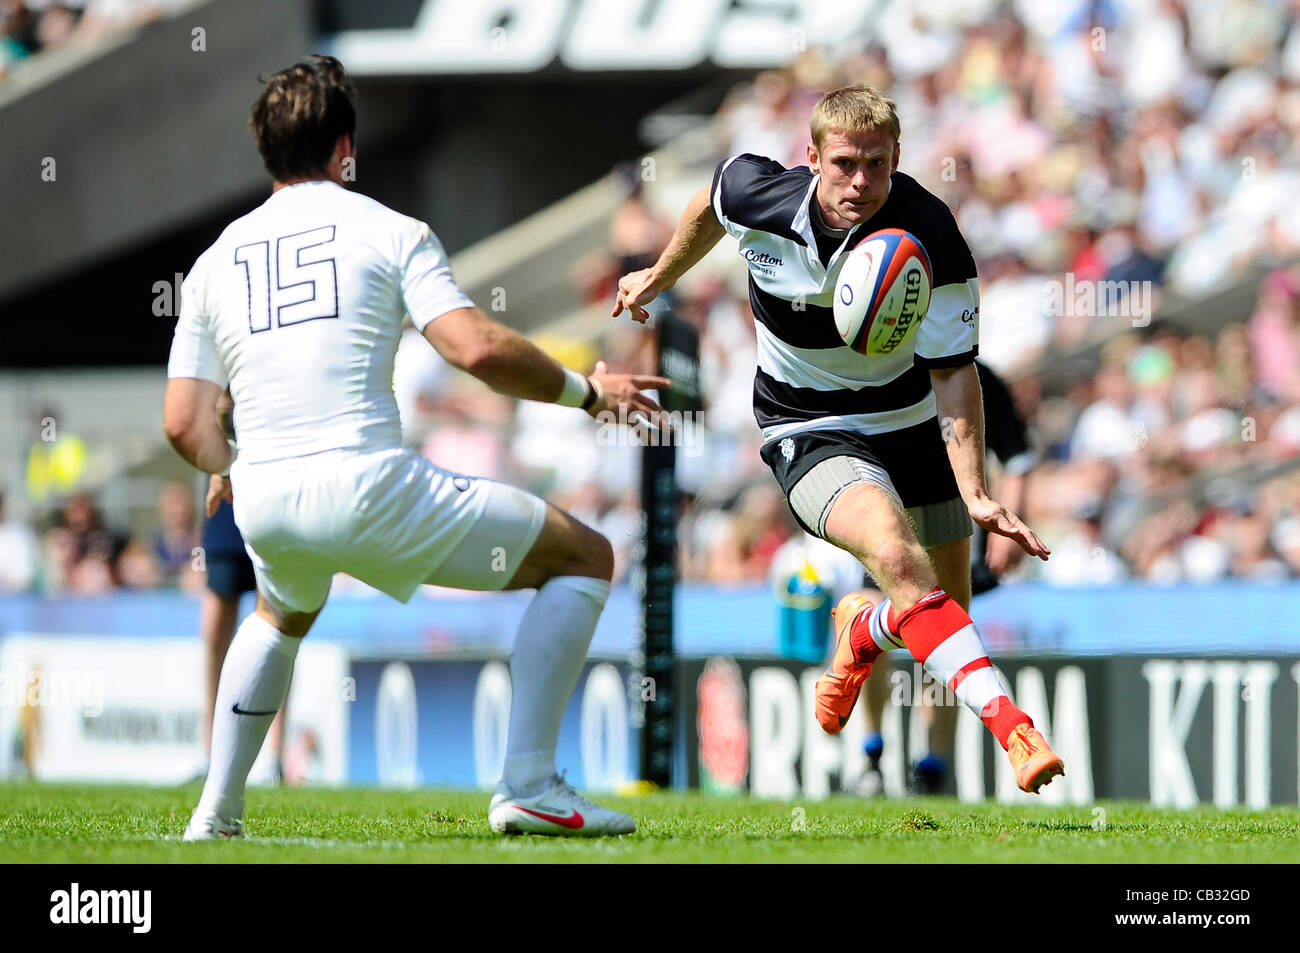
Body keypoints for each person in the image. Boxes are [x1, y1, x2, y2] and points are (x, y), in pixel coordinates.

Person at [164, 55, 666, 840]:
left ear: (265, 149)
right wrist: (588, 391)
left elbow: (183, 424)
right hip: (368, 485)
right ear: (345, 147)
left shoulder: (212, 262)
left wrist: (224, 468)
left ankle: (215, 813)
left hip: (264, 499)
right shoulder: (392, 230)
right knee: (586, 557)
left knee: (279, 612)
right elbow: (474, 348)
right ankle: (530, 783)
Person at [613, 85, 1064, 794]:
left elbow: (953, 374)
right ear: (812, 157)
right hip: (808, 425)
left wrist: (975, 489)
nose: (861, 182)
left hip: (913, 422)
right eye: (847, 163)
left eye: (878, 165)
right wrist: (658, 275)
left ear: (897, 160)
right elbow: (708, 207)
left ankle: (870, 632)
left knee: (943, 608)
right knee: (893, 551)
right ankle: (1014, 727)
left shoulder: (933, 236)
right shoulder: (757, 194)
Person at [858, 359, 1041, 796]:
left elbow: (1017, 456)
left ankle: (933, 767)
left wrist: (1008, 524)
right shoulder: (879, 369)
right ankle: (872, 757)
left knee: (941, 645)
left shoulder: (971, 375)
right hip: (885, 525)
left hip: (950, 527)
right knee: (864, 630)